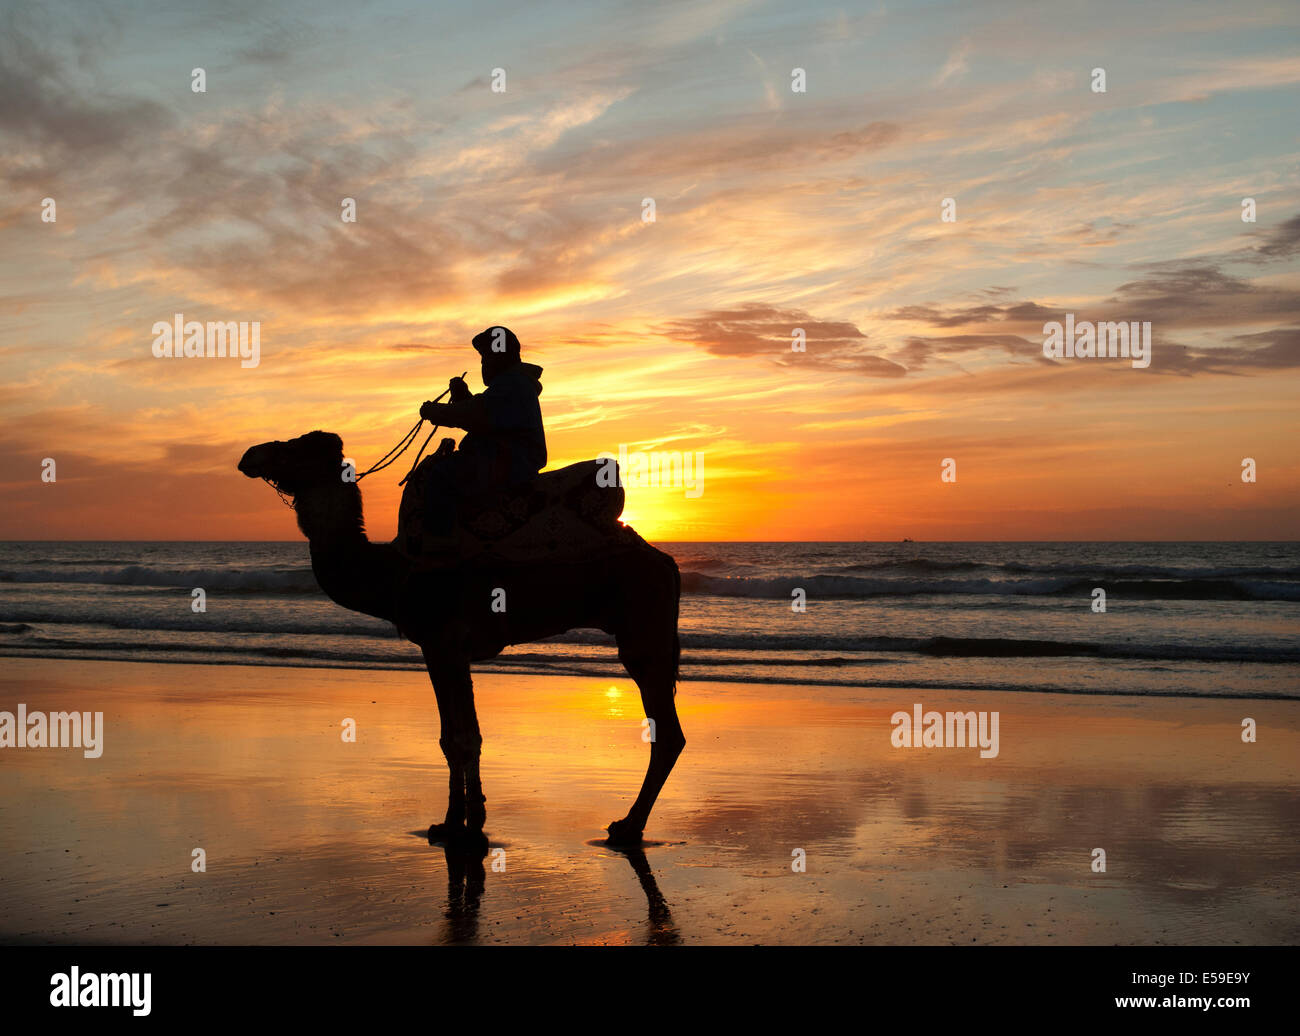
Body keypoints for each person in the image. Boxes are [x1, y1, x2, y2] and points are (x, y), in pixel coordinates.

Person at [417, 326, 546, 538]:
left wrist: (434, 411)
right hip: (509, 460)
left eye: (485, 359)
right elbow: (485, 417)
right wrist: (462, 396)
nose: (483, 365)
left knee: (441, 476)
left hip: (507, 463)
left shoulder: (513, 385)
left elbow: (478, 414)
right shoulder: (512, 385)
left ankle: (438, 547)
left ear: (498, 357)